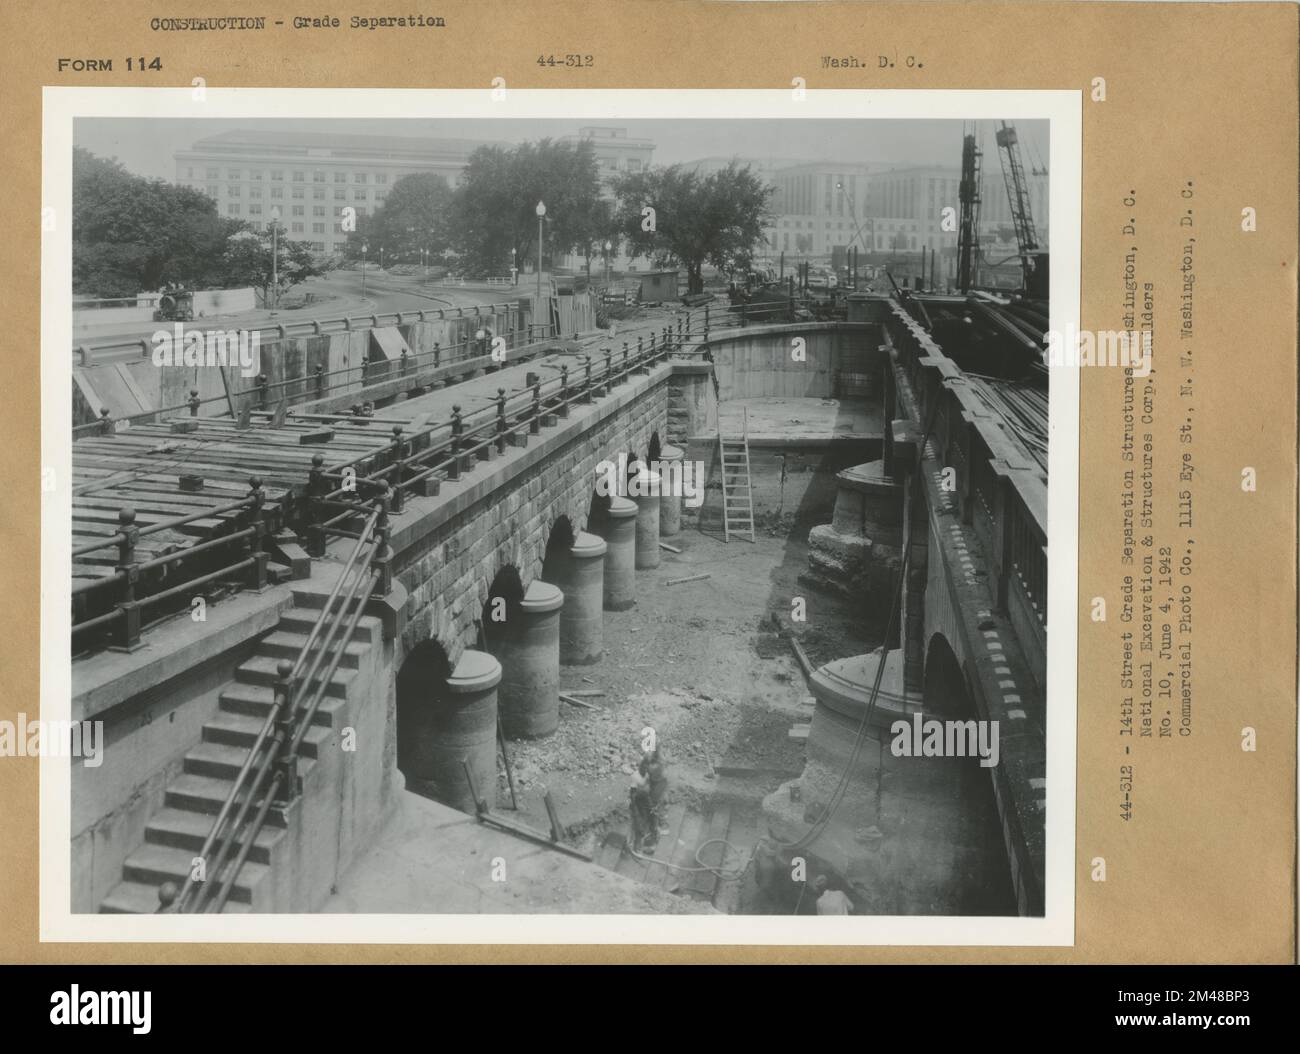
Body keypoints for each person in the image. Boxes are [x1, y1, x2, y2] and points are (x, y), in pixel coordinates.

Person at [640, 747, 669, 833]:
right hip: (662, 790)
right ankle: (661, 822)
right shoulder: (661, 763)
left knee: (658, 808)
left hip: (657, 792)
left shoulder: (654, 767)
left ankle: (662, 827)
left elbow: (644, 772)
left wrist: (643, 761)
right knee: (662, 807)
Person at [628, 769, 656, 853]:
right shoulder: (635, 794)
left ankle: (649, 839)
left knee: (651, 820)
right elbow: (635, 810)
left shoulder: (647, 787)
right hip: (638, 807)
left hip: (645, 805)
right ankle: (638, 843)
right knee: (639, 826)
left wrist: (652, 808)